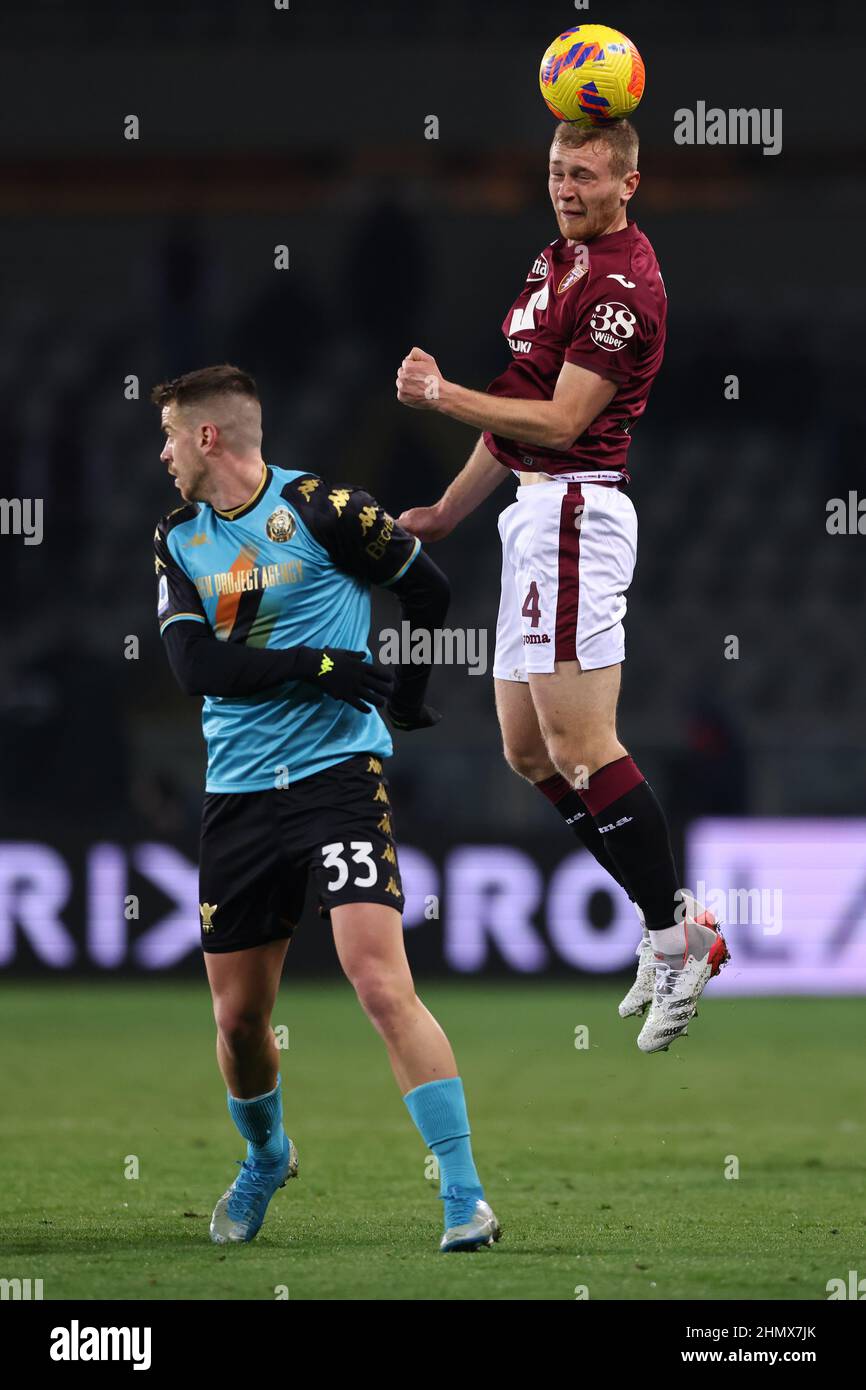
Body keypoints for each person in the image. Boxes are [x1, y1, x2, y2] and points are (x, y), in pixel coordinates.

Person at [395, 120, 728, 1053]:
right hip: (532, 517)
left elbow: (562, 419)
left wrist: (441, 394)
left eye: (583, 173)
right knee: (527, 752)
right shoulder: (558, 264)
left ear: (630, 181)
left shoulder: (622, 284)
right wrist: (447, 513)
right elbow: (519, 414)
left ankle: (677, 938)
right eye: (553, 170)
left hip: (576, 514)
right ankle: (670, 922)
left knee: (583, 741)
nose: (564, 187)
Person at [152, 363, 499, 1251]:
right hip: (236, 796)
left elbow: (428, 588)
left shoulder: (325, 509)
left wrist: (408, 697)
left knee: (380, 981)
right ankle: (267, 1156)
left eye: (168, 436)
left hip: (338, 777)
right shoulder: (178, 538)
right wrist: (319, 665)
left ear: (208, 437)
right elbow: (198, 671)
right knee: (238, 1022)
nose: (162, 455)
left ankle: (464, 1196)